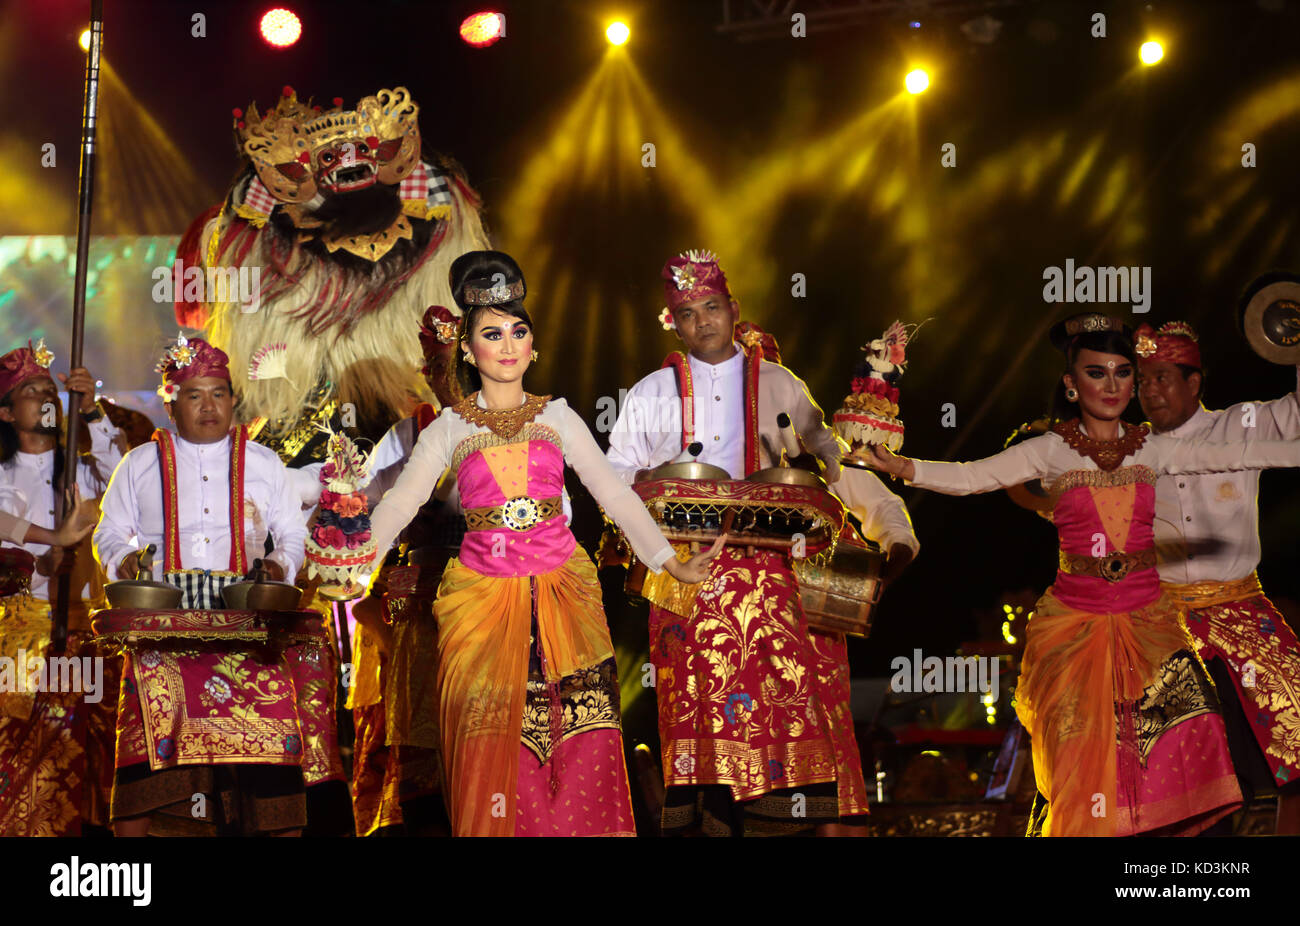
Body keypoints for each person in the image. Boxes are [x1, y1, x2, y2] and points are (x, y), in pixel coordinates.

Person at [862, 312, 1300, 836]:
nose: (1111, 385)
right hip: (1078, 627)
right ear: (1072, 384)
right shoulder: (1051, 450)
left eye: (1121, 373)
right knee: (1087, 766)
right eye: (1096, 373)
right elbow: (974, 476)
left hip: (1148, 625)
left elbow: (1255, 450)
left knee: (1193, 733)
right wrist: (904, 467)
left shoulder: (1154, 447)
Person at [353, 250, 722, 836]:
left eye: (518, 331)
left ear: (533, 344)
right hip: (479, 605)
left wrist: (668, 562)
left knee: (581, 744)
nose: (507, 344)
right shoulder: (450, 428)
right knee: (491, 751)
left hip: (563, 598)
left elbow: (615, 496)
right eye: (491, 334)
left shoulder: (560, 416)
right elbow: (400, 504)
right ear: (469, 350)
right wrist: (357, 564)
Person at [605, 249, 919, 836]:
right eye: (688, 311)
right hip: (683, 575)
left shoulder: (780, 382)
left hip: (772, 579)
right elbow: (614, 475)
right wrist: (656, 536)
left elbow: (832, 462)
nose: (703, 321)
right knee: (697, 726)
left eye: (713, 307)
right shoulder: (651, 391)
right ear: (671, 321)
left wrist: (885, 511)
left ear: (733, 308)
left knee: (785, 715)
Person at [93, 336, 314, 836]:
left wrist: (280, 565)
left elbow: (293, 532)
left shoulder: (263, 462)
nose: (210, 406)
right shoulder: (139, 464)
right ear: (172, 403)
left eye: (219, 393)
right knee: (146, 761)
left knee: (269, 757)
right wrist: (124, 560)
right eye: (195, 395)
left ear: (234, 399)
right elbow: (107, 531)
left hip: (247, 625)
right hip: (163, 628)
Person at [1135, 310, 1300, 833]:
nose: (1149, 391)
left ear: (1194, 383)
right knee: (1165, 779)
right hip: (1160, 627)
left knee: (1296, 745)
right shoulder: (1128, 449)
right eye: (1141, 381)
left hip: (1243, 613)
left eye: (1161, 378)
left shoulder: (1240, 425)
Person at [0, 339, 123, 836]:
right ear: (7, 413)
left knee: (90, 761)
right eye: (31, 390)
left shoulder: (86, 470)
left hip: (87, 631)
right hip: (19, 637)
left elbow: (134, 480)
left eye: (50, 389)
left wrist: (91, 409)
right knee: (23, 754)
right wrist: (51, 544)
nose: (45, 396)